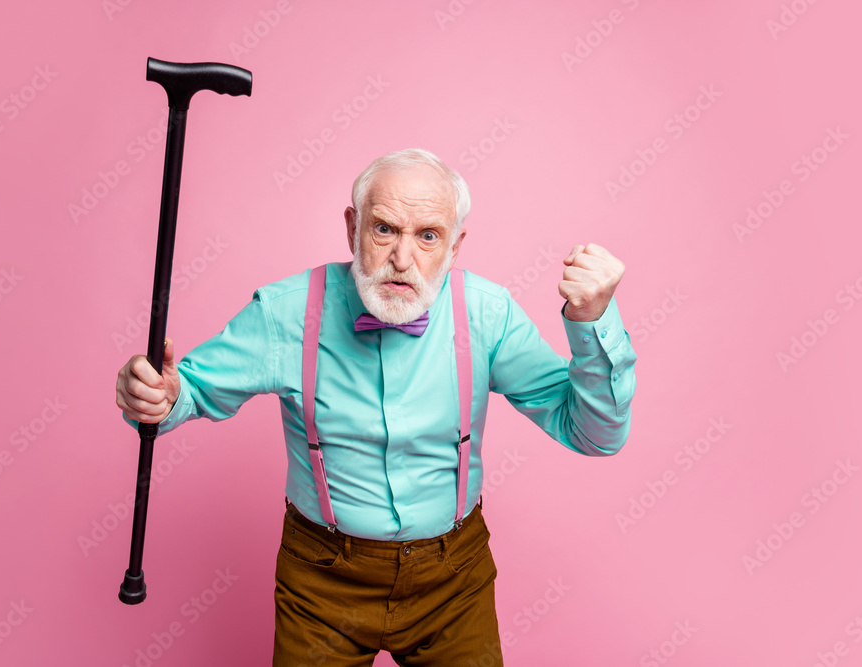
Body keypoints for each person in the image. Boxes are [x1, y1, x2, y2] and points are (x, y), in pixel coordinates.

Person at [116, 147, 637, 665]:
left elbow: (595, 434)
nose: (402, 259)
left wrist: (592, 321)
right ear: (352, 228)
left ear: (455, 247)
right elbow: (185, 392)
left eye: (428, 236)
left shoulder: (487, 316)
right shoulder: (285, 314)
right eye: (384, 229)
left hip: (453, 579)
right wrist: (158, 396)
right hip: (320, 578)